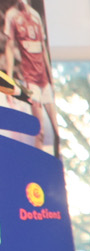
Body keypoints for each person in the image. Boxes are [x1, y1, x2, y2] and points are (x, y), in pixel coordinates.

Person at [2, 0, 55, 154]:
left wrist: (51, 77)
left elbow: (43, 47)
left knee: (53, 129)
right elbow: (9, 47)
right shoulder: (12, 15)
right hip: (28, 80)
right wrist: (9, 83)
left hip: (42, 78)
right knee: (39, 130)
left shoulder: (35, 15)